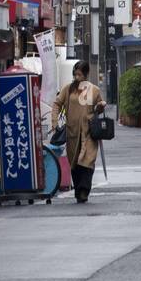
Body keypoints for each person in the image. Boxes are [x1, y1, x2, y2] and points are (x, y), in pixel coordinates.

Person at [51, 62, 106, 203]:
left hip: (89, 133)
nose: (77, 77)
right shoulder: (68, 89)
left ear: (86, 75)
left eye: (79, 74)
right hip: (72, 133)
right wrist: (55, 123)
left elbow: (99, 108)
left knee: (87, 162)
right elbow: (57, 104)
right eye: (75, 74)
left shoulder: (94, 90)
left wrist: (100, 106)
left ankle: (84, 191)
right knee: (75, 163)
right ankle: (78, 190)